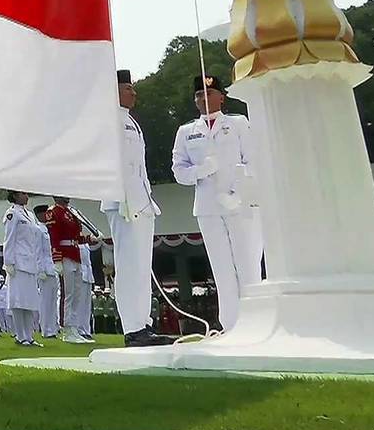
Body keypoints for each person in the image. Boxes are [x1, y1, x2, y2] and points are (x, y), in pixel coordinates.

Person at [171, 74, 259, 333]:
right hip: (208, 207)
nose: (203, 98)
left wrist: (238, 192)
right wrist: (201, 170)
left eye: (209, 93)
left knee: (247, 265)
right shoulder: (187, 132)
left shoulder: (238, 123)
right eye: (199, 95)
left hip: (239, 205)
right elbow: (179, 171)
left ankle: (255, 322)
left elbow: (253, 160)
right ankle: (231, 326)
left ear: (222, 96)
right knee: (221, 269)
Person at [105, 70, 171, 346]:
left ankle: (143, 324)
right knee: (129, 265)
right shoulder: (108, 121)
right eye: (128, 88)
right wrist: (122, 197)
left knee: (142, 265)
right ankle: (132, 328)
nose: (134, 93)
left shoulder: (131, 122)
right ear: (116, 90)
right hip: (123, 201)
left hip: (141, 201)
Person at [47, 197, 92, 345]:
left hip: (75, 253)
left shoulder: (71, 212)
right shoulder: (53, 212)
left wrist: (89, 238)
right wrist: (57, 259)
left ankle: (74, 327)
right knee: (68, 294)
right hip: (65, 254)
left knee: (77, 294)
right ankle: (67, 328)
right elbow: (54, 237)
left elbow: (76, 236)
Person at [1, 190, 44, 347]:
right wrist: (8, 262)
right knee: (18, 302)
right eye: (23, 194)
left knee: (29, 302)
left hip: (30, 263)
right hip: (18, 263)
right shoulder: (12, 214)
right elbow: (9, 239)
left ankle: (29, 335)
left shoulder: (30, 215)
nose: (27, 196)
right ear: (14, 196)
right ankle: (20, 336)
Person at [32, 204, 61, 339]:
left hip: (52, 268)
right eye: (45, 213)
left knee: (53, 300)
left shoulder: (49, 229)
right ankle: (46, 329)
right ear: (39, 215)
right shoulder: (38, 229)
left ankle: (53, 328)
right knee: (45, 301)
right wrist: (40, 270)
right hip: (44, 269)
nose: (47, 216)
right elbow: (37, 251)